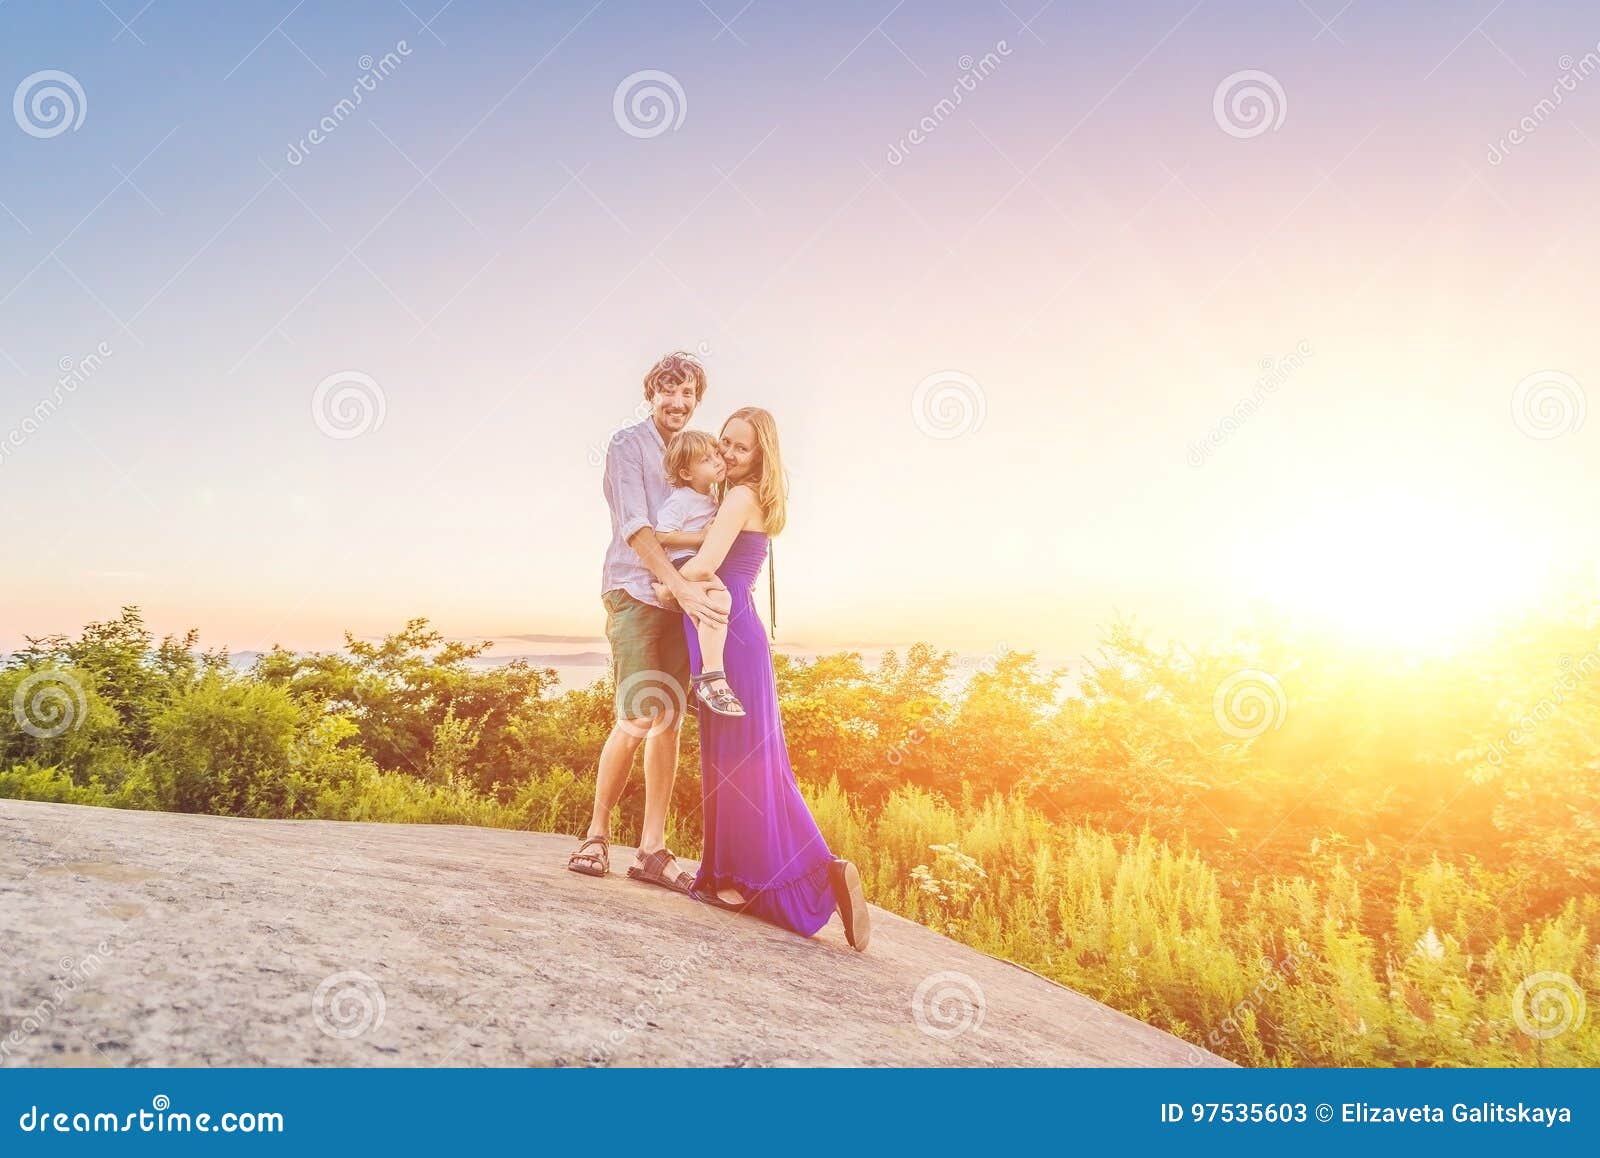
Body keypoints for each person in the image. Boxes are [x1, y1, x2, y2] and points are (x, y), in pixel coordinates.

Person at [656, 407, 872, 950]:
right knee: (753, 764)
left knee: (737, 764)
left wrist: (664, 588)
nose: (728, 453)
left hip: (725, 635)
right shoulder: (750, 498)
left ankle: (806, 872)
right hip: (739, 631)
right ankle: (754, 876)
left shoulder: (738, 497)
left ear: (760, 456)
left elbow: (703, 567)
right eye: (724, 442)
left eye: (741, 448)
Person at [567, 352, 727, 894]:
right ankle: (596, 835)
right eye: (668, 392)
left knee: (669, 720)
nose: (677, 402)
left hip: (680, 600)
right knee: (637, 714)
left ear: (696, 399)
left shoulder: (700, 451)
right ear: (651, 394)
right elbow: (635, 527)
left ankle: (652, 849)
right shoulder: (627, 446)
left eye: (687, 394)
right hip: (635, 592)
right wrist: (678, 585)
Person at [654, 430, 744, 717]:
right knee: (719, 601)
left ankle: (697, 685)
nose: (718, 460)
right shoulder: (682, 499)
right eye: (706, 460)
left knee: (703, 614)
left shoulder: (712, 497)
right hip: (685, 561)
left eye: (716, 454)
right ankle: (711, 677)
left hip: (697, 560)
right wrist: (700, 538)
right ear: (686, 473)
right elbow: (662, 535)